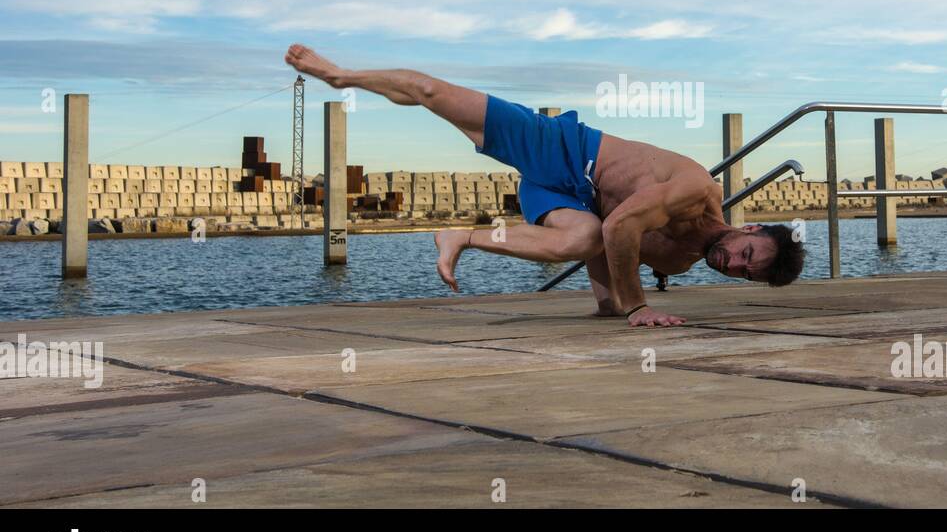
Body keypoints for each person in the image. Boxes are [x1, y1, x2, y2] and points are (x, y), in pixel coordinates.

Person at [285, 45, 804, 327]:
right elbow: (622, 224)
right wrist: (637, 305)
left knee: (578, 239)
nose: (733, 265)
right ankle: (344, 76)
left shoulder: (676, 261)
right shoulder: (693, 189)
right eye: (747, 252)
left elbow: (604, 244)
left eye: (744, 274)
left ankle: (461, 236)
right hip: (567, 151)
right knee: (429, 92)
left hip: (564, 201)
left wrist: (609, 304)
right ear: (750, 227)